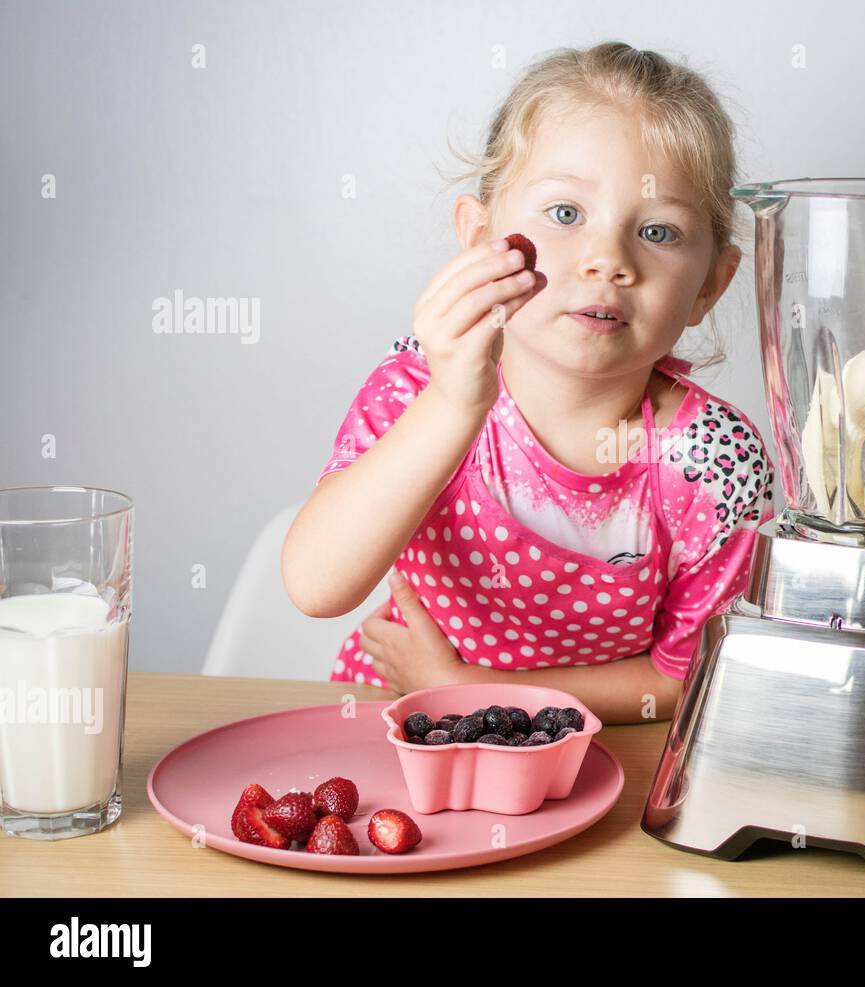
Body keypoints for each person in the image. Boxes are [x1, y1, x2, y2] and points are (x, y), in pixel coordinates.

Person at [282, 42, 773, 725]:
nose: (608, 260)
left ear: (709, 287)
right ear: (483, 236)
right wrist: (454, 402)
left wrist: (467, 686)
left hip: (598, 761)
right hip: (397, 729)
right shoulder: (415, 388)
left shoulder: (713, 462)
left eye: (658, 230)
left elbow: (689, 675)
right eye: (566, 214)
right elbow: (315, 584)